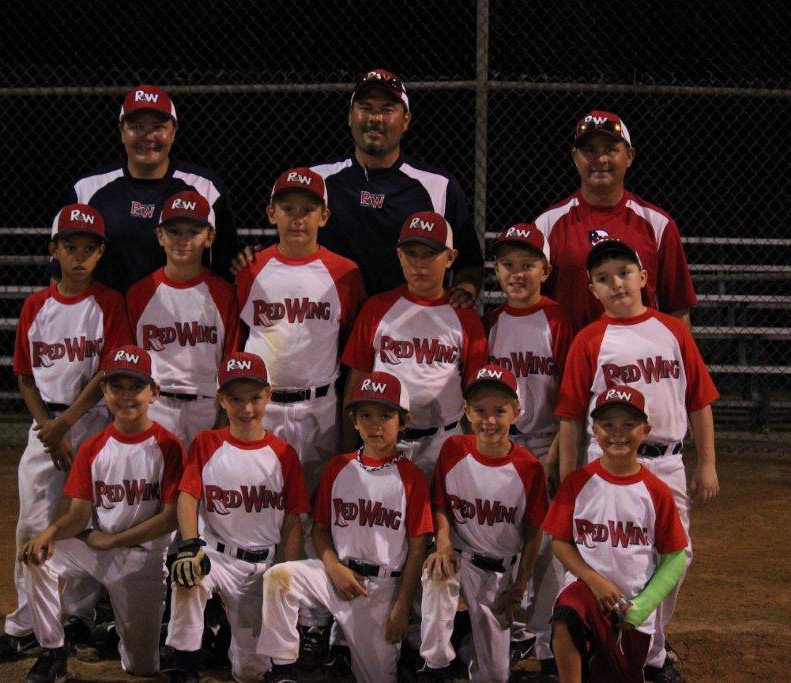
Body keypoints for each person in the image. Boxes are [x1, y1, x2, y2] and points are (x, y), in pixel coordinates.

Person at [554, 238, 720, 678]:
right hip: (604, 463)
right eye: (604, 279)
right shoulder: (589, 340)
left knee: (674, 558)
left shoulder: (673, 330)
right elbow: (571, 416)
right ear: (592, 289)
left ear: (644, 277)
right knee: (609, 552)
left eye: (625, 273)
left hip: (665, 460)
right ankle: (594, 639)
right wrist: (571, 476)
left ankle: (649, 648)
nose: (617, 284)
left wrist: (707, 463)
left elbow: (699, 400)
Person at [0, 204, 131, 665]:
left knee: (88, 520)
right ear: (54, 250)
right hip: (44, 426)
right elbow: (25, 375)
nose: (80, 257)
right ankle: (27, 622)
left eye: (90, 249)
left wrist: (67, 423)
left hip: (92, 421)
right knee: (32, 523)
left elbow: (108, 368)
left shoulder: (109, 302)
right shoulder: (36, 305)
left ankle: (77, 616)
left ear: (101, 253)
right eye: (71, 247)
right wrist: (49, 429)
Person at [232, 68, 483, 304]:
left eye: (387, 109)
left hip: (402, 336)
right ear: (350, 116)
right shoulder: (317, 181)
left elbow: (470, 264)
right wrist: (253, 257)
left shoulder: (438, 186)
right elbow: (285, 246)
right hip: (323, 324)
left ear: (406, 119)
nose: (375, 118)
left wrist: (463, 292)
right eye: (365, 108)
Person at [19, 344, 183, 681]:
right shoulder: (94, 447)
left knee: (141, 667)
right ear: (104, 391)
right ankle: (52, 650)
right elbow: (78, 517)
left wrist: (113, 540)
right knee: (37, 556)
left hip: (142, 560)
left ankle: (118, 634)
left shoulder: (168, 446)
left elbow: (169, 518)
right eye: (116, 387)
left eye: (135, 387)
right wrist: (49, 533)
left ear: (154, 393)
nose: (125, 396)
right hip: (97, 550)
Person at [257, 372, 432, 683]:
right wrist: (333, 566)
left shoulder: (411, 477)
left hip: (380, 591)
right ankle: (283, 671)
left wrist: (402, 606)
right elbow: (320, 529)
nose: (375, 425)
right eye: (365, 415)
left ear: (404, 422)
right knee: (279, 577)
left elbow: (418, 547)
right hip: (336, 576)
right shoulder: (339, 466)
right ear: (353, 421)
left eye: (385, 416)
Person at [163, 352, 309, 683]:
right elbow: (188, 496)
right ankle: (183, 667)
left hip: (262, 566)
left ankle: (228, 642)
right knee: (187, 575)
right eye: (235, 399)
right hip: (216, 556)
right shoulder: (206, 443)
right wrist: (189, 544)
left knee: (250, 673)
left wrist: (291, 572)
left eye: (255, 398)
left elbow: (292, 523)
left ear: (269, 396)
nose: (246, 409)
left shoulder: (284, 454)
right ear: (221, 400)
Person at [542, 385, 688, 683]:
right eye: (607, 425)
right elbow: (560, 541)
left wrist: (644, 606)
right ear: (593, 430)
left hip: (632, 605)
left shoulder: (655, 491)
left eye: (628, 425)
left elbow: (675, 557)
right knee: (565, 617)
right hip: (586, 591)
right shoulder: (578, 483)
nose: (617, 433)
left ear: (645, 430)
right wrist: (593, 580)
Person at [235, 167, 366, 492]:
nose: (297, 218)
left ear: (324, 216)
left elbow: (351, 342)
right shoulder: (250, 270)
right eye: (287, 209)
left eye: (307, 210)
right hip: (262, 406)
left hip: (318, 407)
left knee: (314, 502)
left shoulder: (345, 272)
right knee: (257, 498)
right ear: (271, 213)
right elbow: (236, 336)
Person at [419, 365, 548, 681]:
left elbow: (534, 533)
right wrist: (444, 543)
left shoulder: (529, 468)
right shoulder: (454, 449)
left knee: (495, 675)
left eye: (499, 411)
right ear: (466, 412)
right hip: (458, 558)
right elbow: (440, 505)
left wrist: (519, 586)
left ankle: (466, 643)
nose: (489, 420)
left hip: (498, 574)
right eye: (479, 410)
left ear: (516, 413)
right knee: (437, 574)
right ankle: (435, 666)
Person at [483, 224, 572, 677]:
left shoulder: (557, 319)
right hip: (503, 444)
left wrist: (555, 454)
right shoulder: (494, 322)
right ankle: (514, 634)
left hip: (545, 444)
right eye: (507, 265)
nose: (517, 274)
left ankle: (544, 637)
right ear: (496, 271)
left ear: (546, 270)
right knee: (510, 542)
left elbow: (572, 395)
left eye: (527, 265)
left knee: (548, 549)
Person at [341, 211, 488, 481]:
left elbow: (475, 393)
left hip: (444, 441)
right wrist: (347, 450)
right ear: (399, 256)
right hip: (385, 440)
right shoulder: (378, 308)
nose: (419, 263)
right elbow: (356, 383)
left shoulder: (465, 317)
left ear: (450, 258)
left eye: (430, 254)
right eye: (411, 253)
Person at [52, 84, 237, 294]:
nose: (148, 137)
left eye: (158, 127)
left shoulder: (206, 188)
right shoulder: (87, 189)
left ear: (174, 131)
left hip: (184, 323)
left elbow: (227, 265)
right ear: (121, 131)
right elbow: (60, 274)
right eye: (137, 127)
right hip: (107, 321)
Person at [533, 110, 697, 334]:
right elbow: (532, 304)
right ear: (574, 158)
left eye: (610, 149)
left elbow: (677, 309)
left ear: (629, 156)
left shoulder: (658, 224)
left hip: (639, 362)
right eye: (590, 150)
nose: (600, 159)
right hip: (570, 361)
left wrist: (683, 364)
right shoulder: (547, 224)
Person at [126, 189, 240, 449]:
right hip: (155, 406)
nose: (183, 240)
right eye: (175, 231)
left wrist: (226, 412)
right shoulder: (139, 294)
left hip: (207, 406)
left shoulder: (224, 293)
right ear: (160, 236)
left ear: (209, 237)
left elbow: (230, 357)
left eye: (194, 231)